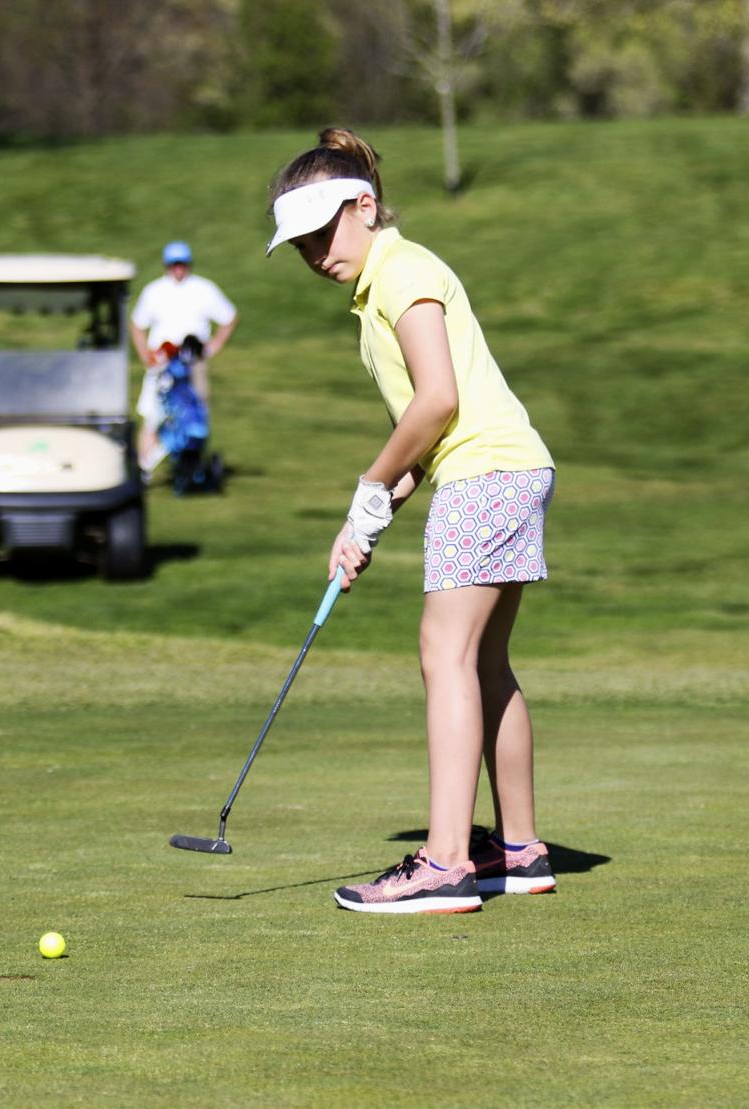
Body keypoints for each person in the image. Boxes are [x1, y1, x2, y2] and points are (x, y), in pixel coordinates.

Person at [266, 129, 557, 914]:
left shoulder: (402, 270)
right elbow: (431, 426)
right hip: (503, 468)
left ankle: (445, 862)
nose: (314, 254)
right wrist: (373, 513)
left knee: (444, 651)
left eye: (323, 233)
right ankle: (521, 851)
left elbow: (438, 401)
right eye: (299, 244)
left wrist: (370, 479)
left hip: (487, 472)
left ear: (364, 205)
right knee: (484, 659)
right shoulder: (382, 288)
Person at [130, 241, 238, 477]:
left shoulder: (203, 289)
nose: (178, 269)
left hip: (193, 363)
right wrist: (144, 355)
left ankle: (190, 469)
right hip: (162, 361)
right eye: (173, 264)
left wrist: (212, 347)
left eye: (182, 264)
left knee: (195, 416)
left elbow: (229, 318)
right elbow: (137, 325)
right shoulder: (154, 291)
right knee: (152, 414)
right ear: (166, 265)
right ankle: (141, 471)